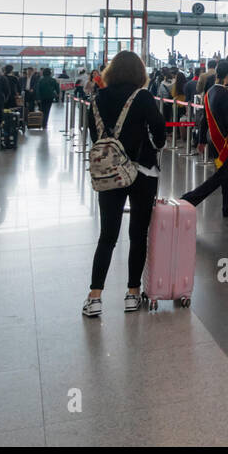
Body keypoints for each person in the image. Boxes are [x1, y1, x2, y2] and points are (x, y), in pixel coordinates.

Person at [82, 50, 166, 318]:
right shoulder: (142, 97)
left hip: (109, 174)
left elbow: (95, 135)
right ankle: (132, 293)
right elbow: (160, 134)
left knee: (107, 236)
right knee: (137, 234)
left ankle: (95, 297)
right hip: (142, 173)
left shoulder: (97, 98)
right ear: (139, 73)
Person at [180, 61, 228, 218]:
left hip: (213, 139)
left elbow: (204, 118)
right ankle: (189, 199)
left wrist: (202, 140)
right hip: (223, 141)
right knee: (222, 175)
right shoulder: (226, 93)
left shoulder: (209, 92)